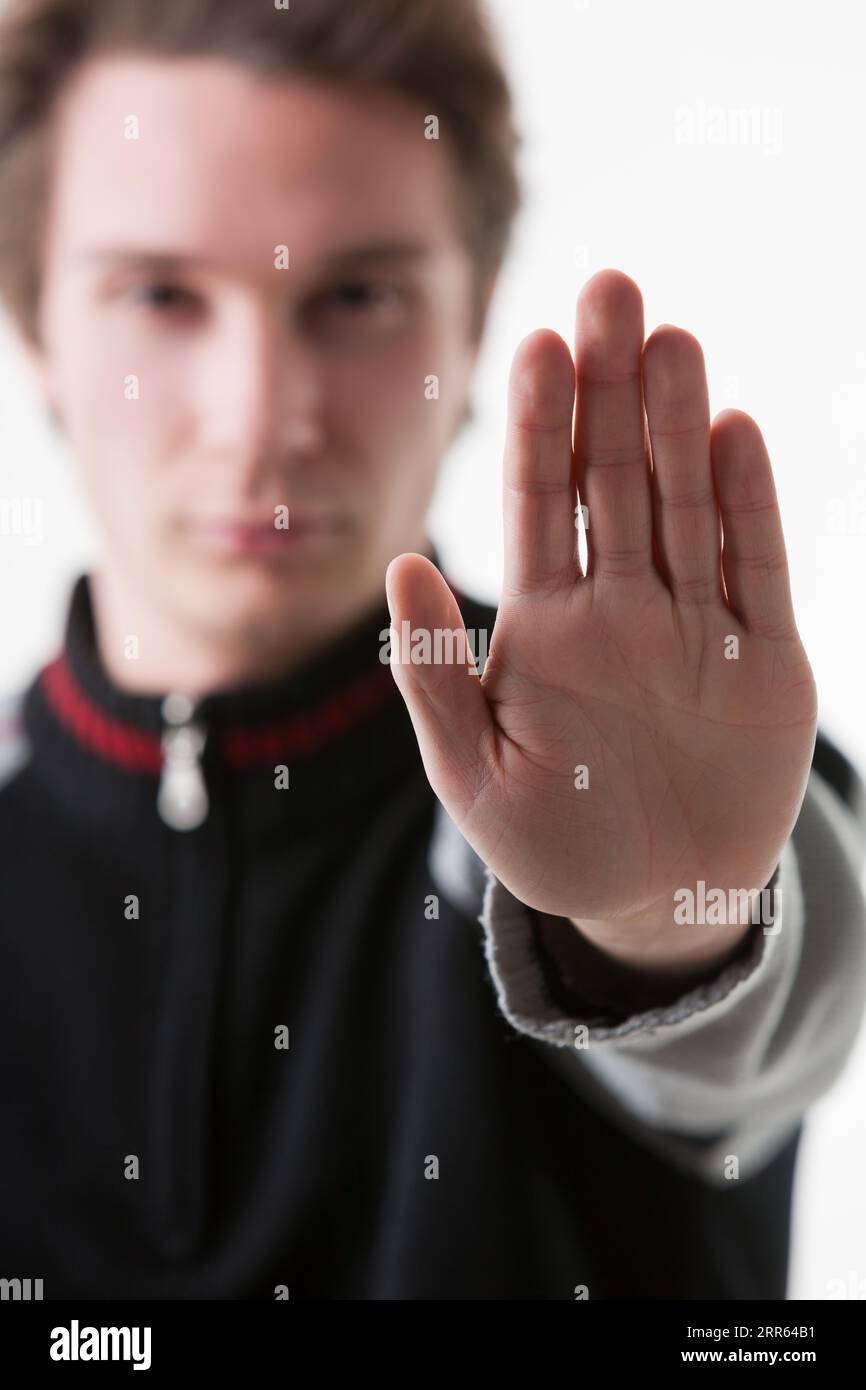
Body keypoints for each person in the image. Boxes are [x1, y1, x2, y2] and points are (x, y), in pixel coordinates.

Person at [0, 0, 863, 1301]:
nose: (262, 421)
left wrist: (647, 925)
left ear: (466, 340)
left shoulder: (612, 746)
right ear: (35, 330)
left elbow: (751, 1019)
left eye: (355, 295)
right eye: (162, 293)